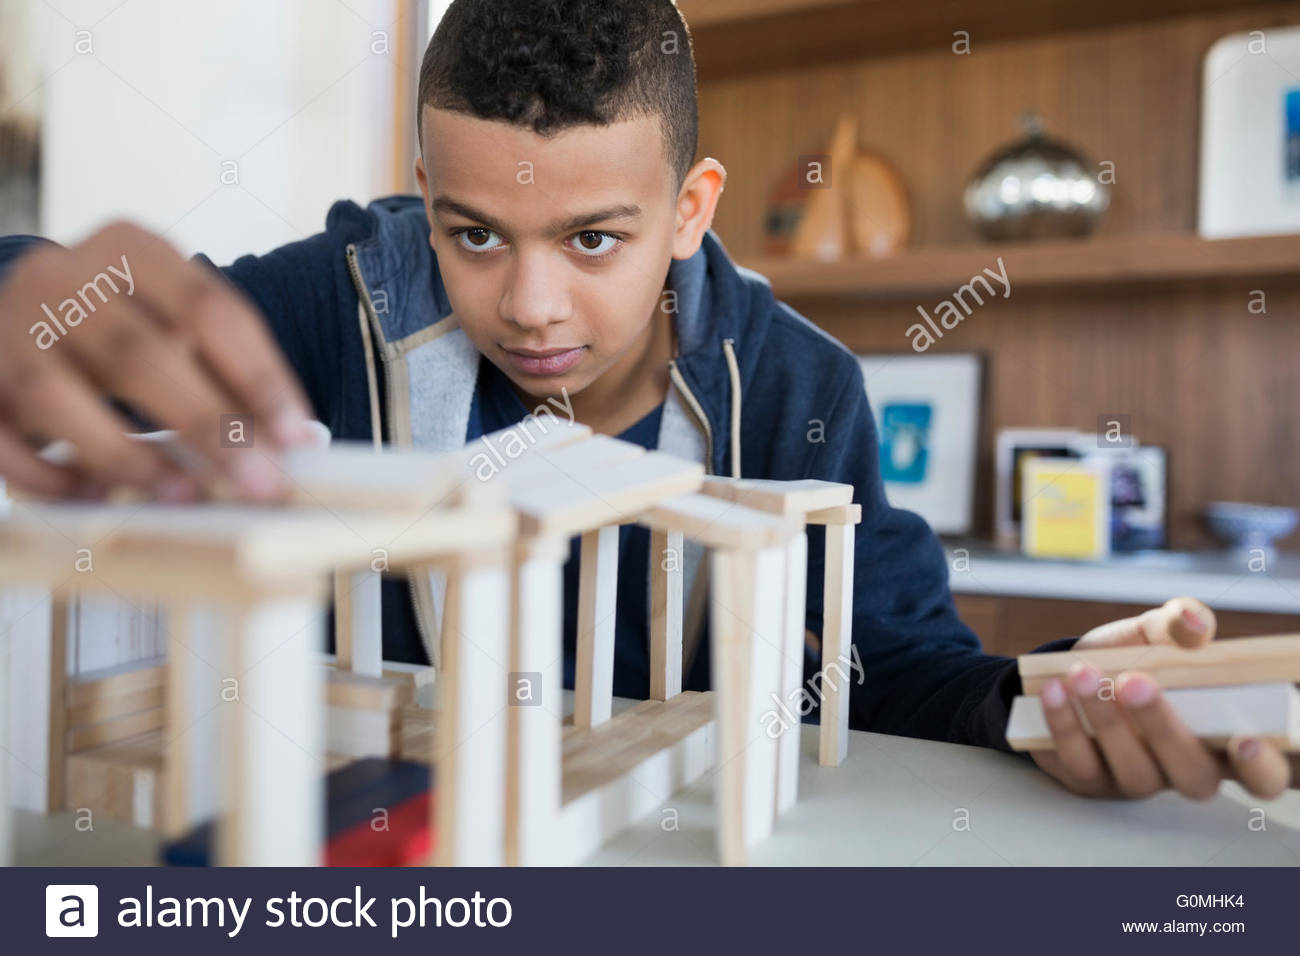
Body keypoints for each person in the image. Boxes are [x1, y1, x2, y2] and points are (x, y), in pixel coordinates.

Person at [0, 0, 1291, 802]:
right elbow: (66, 314)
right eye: (475, 234)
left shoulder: (800, 384)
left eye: (596, 239)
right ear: (422, 191)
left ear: (692, 207)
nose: (534, 308)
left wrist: (1047, 697)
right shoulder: (333, 307)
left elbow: (893, 672)